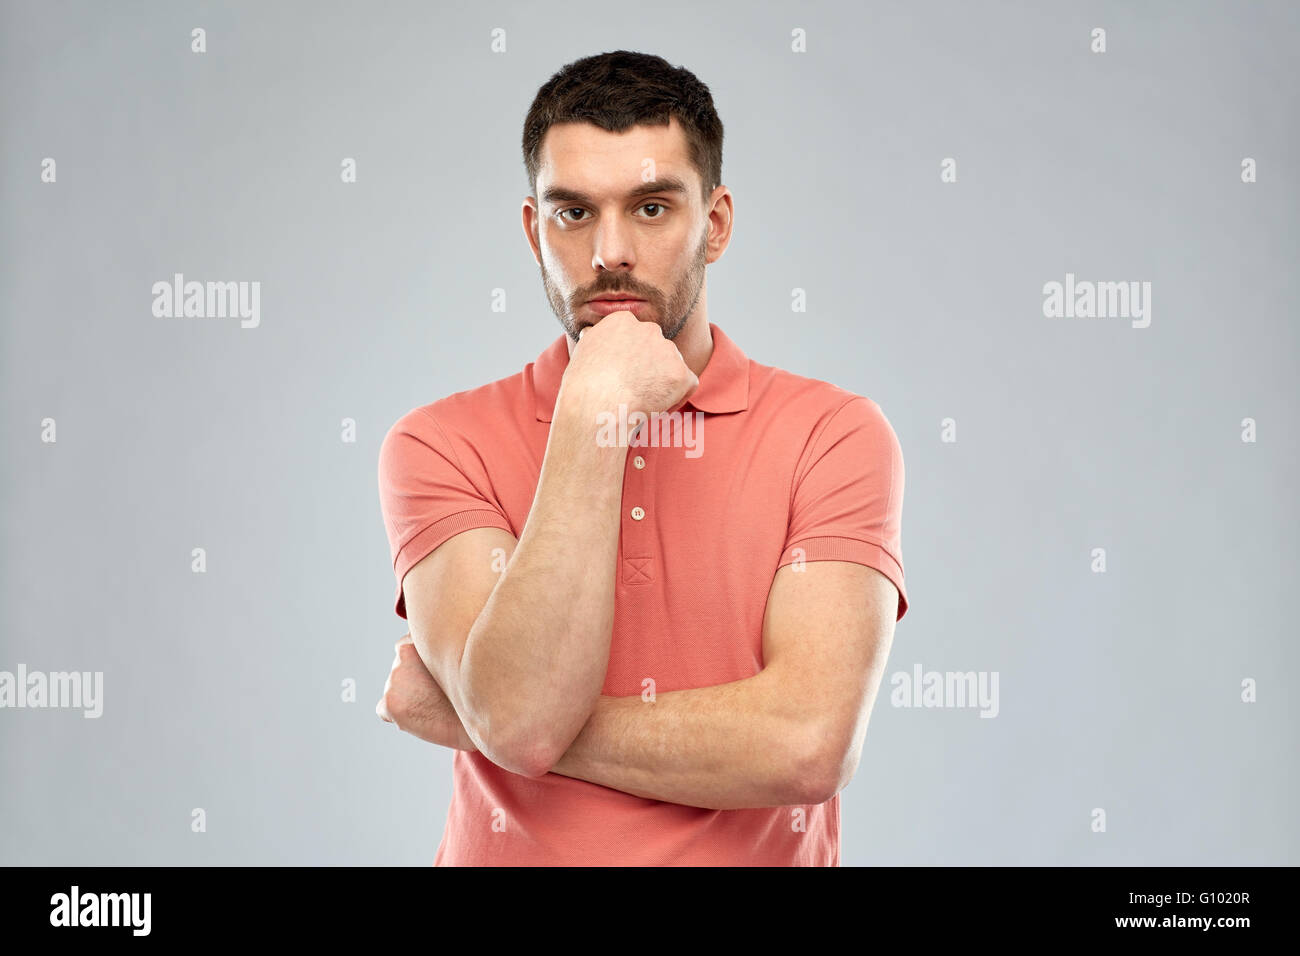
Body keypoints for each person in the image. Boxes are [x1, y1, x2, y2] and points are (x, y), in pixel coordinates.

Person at [375, 50, 909, 866]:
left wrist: (473, 717)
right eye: (574, 213)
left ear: (716, 224)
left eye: (652, 208)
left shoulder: (832, 435)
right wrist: (594, 414)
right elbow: (519, 717)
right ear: (534, 230)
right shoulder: (440, 444)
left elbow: (807, 744)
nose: (609, 252)